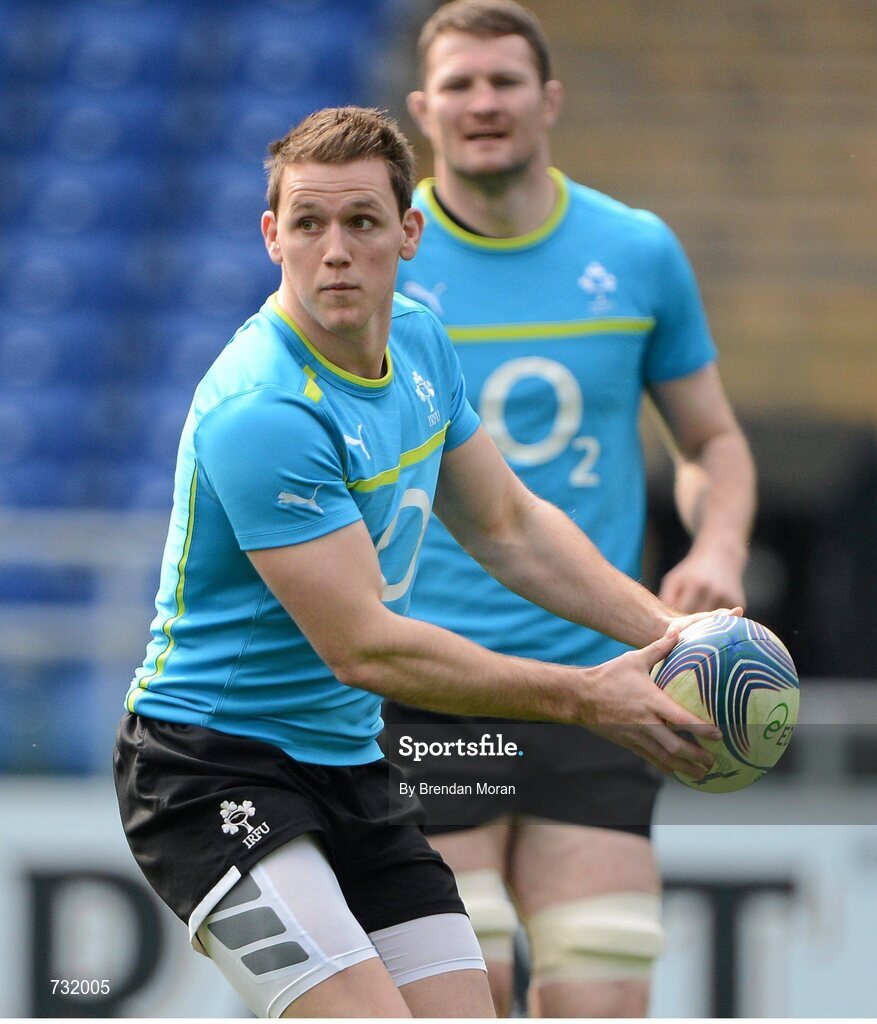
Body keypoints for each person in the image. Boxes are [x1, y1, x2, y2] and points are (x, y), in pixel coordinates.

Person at [113, 104, 731, 1020]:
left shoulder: (418, 340)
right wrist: (585, 696)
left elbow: (509, 526)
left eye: (361, 222)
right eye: (308, 223)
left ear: (408, 233)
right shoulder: (265, 411)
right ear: (269, 235)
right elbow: (367, 650)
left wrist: (676, 635)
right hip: (210, 770)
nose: (333, 251)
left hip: (350, 765)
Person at [382, 1, 757, 1018]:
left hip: (609, 675)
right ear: (424, 109)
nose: (483, 103)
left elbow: (711, 441)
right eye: (458, 84)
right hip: (440, 680)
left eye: (504, 80)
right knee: (468, 982)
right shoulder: (378, 259)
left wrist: (717, 545)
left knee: (603, 979)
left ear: (548, 99)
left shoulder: (636, 250)